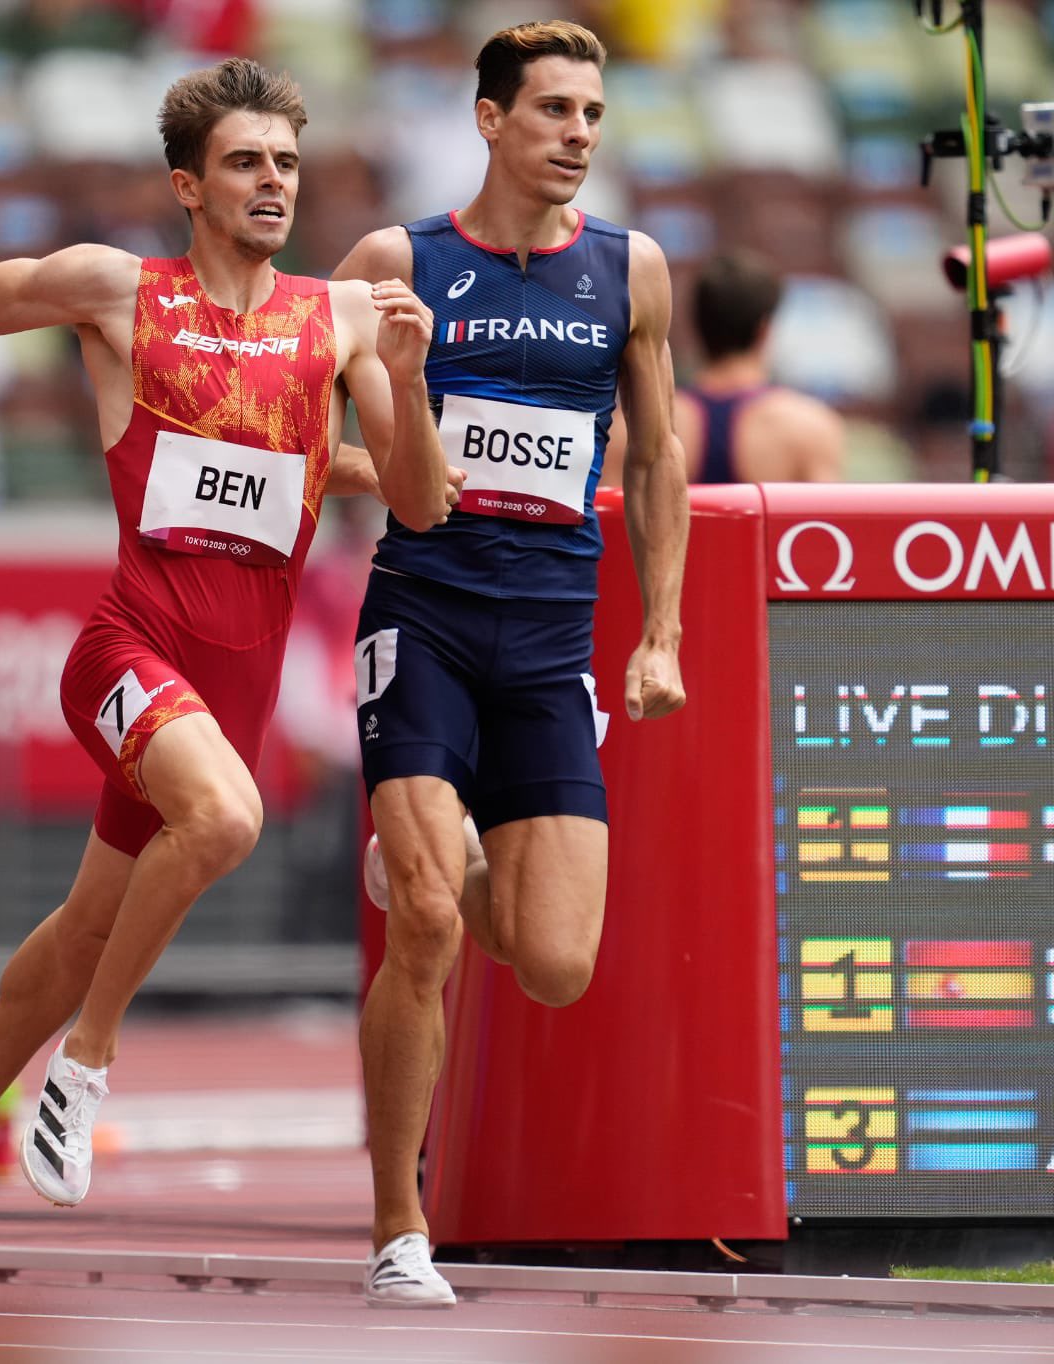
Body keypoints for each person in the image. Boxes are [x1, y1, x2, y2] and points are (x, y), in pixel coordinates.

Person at [0, 58, 449, 1271]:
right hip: (126, 644)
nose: (272, 181)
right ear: (187, 185)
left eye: (285, 162)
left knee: (89, 923)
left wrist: (402, 380)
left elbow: (412, 501)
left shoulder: (341, 316)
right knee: (227, 820)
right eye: (244, 162)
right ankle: (84, 1063)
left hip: (232, 681)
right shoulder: (115, 289)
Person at [338, 20, 688, 1305]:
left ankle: (437, 858)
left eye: (591, 113)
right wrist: (396, 465)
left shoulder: (630, 269)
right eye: (552, 109)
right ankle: (398, 1225)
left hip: (548, 639)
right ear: (488, 120)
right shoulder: (397, 263)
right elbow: (285, 416)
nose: (577, 133)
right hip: (422, 616)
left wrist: (660, 629)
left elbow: (655, 457)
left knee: (552, 963)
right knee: (426, 925)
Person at [678, 248, 843, 483]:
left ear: (698, 324)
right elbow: (824, 507)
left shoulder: (648, 426)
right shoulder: (810, 427)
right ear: (765, 330)